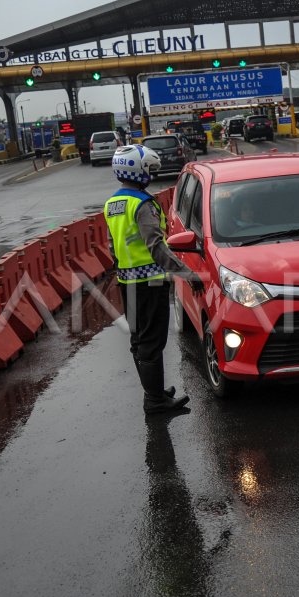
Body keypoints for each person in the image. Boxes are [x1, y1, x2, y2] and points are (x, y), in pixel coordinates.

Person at [103, 144, 199, 415]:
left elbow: (112, 246)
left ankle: (153, 392)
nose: (152, 174)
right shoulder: (142, 204)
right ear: (137, 171)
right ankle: (155, 401)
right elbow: (157, 247)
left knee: (139, 340)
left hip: (127, 282)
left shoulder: (112, 204)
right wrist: (186, 273)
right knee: (152, 342)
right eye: (149, 169)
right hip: (150, 282)